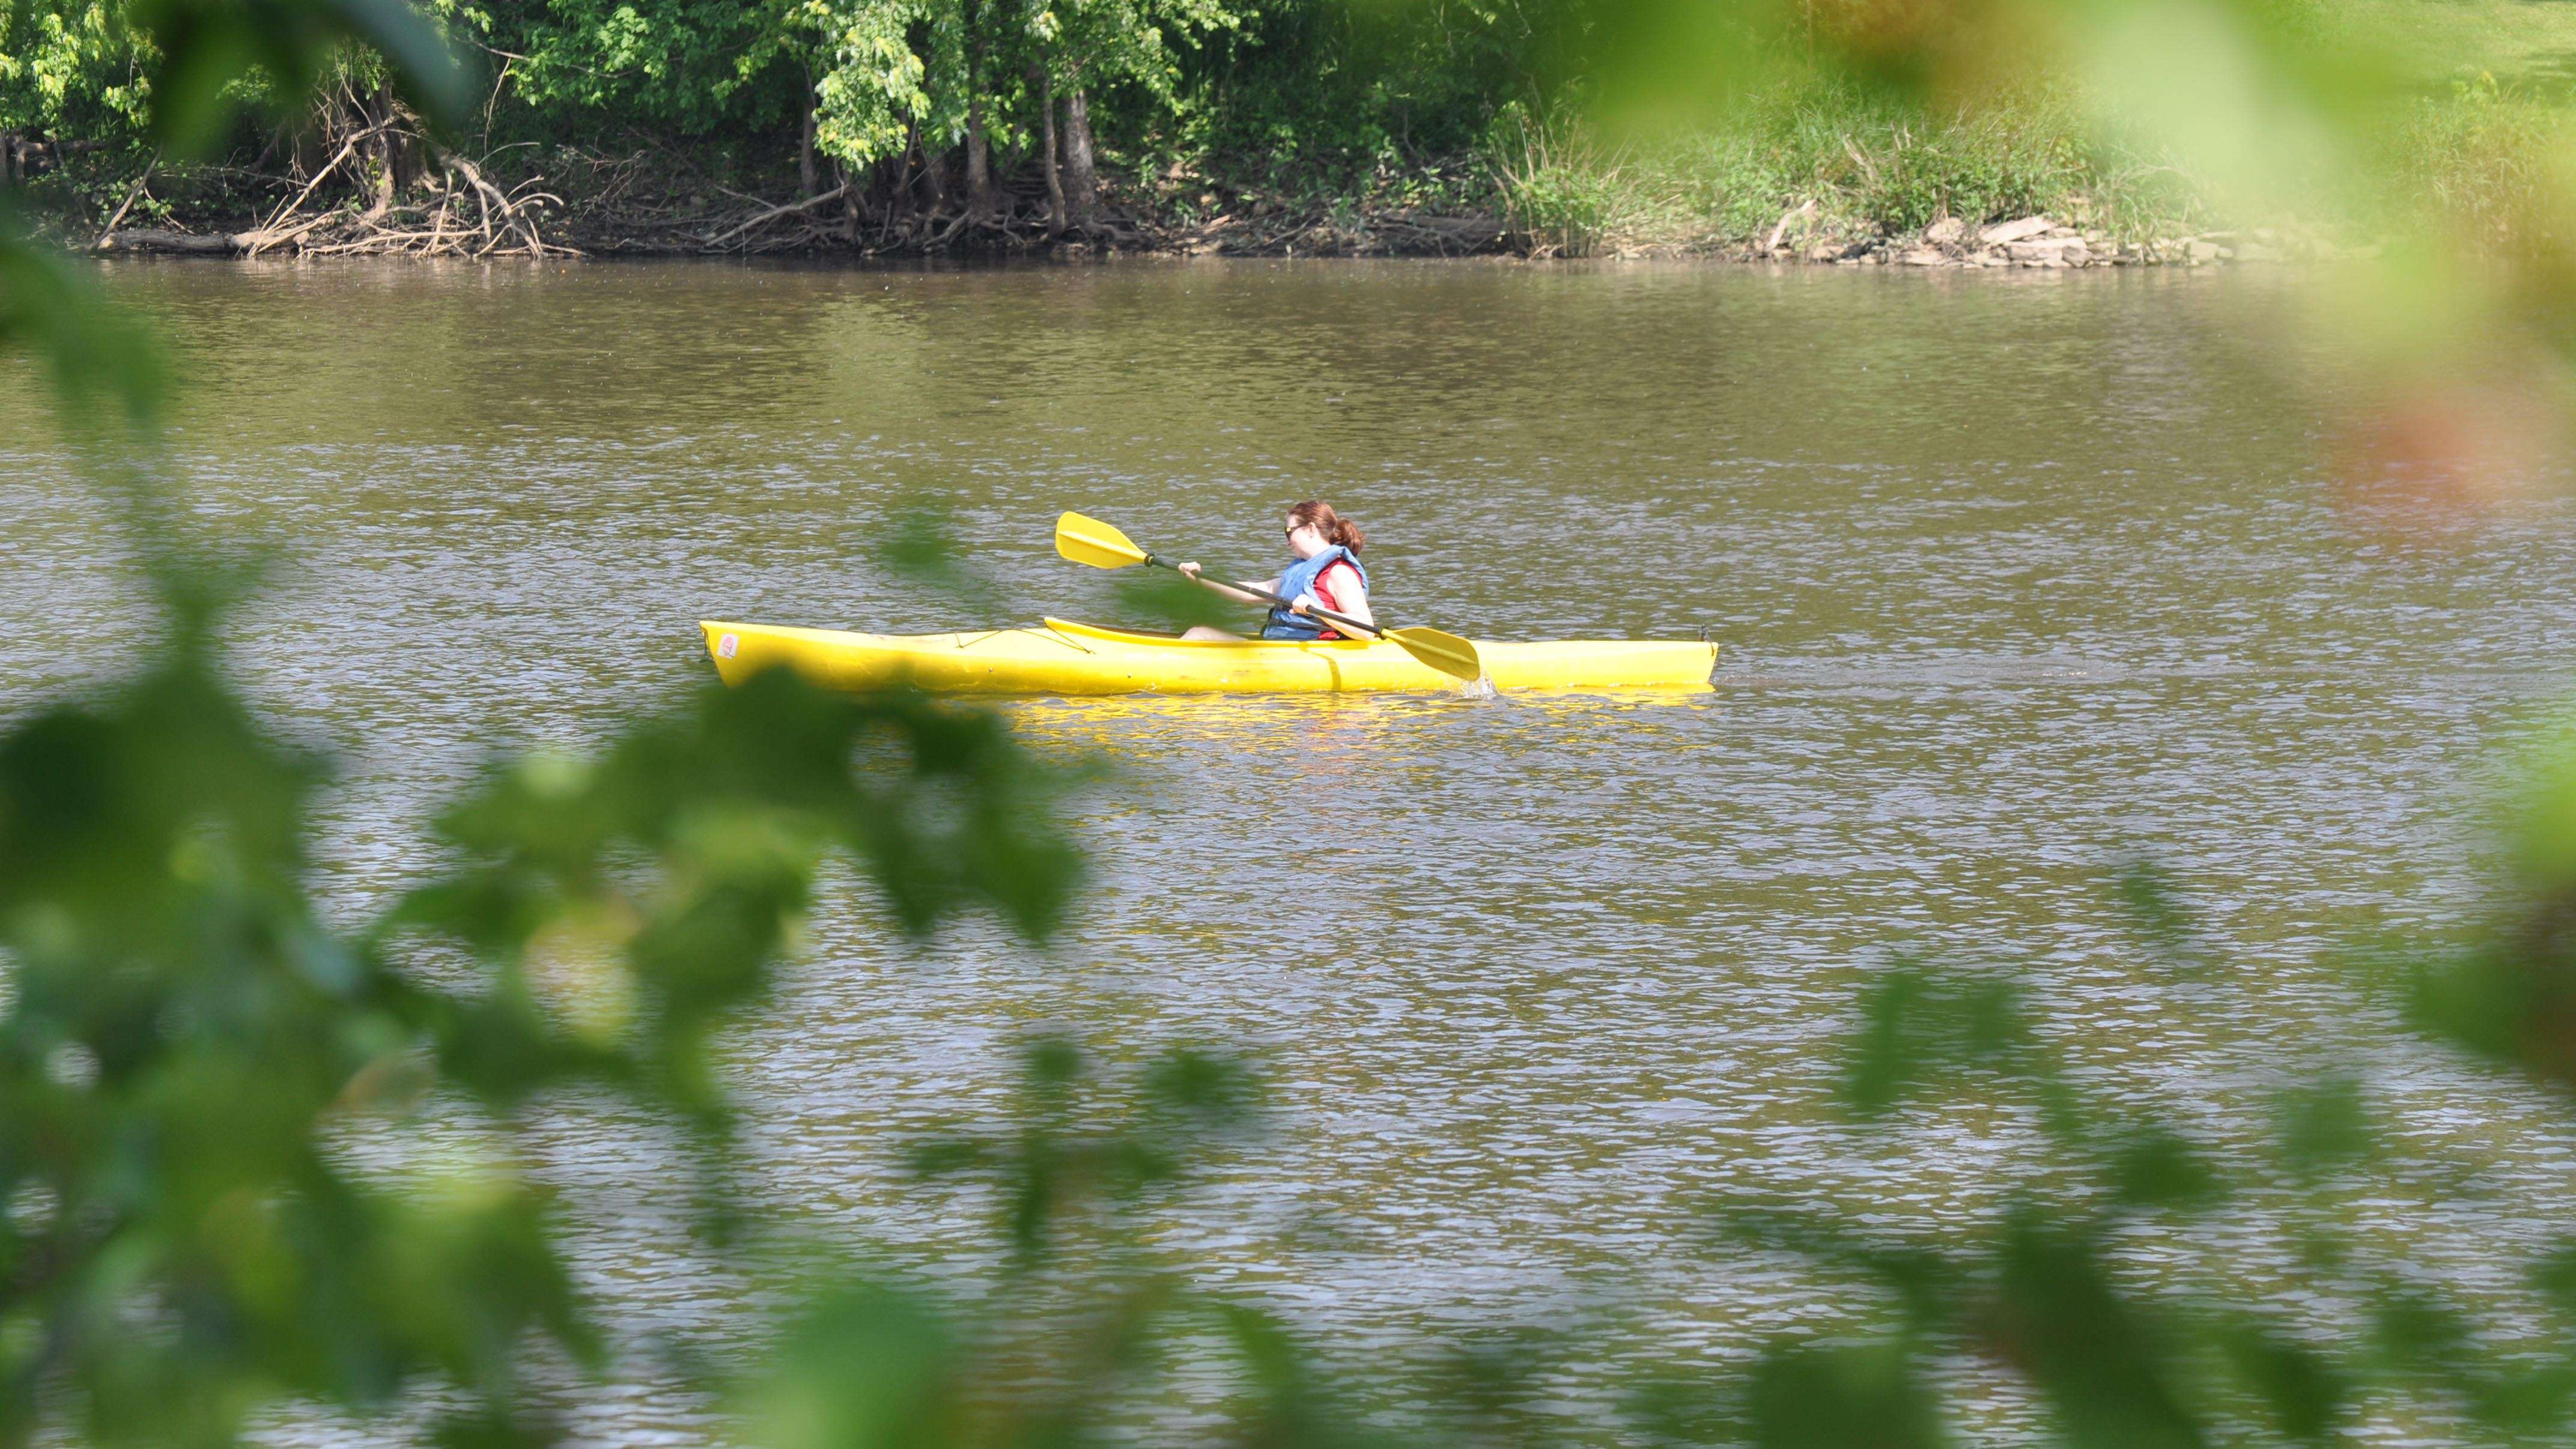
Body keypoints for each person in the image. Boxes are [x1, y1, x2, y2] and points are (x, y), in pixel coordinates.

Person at [1176, 500, 1376, 642]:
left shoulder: (1340, 572)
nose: (1286, 540)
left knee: (1199, 635)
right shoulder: (1301, 571)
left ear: (1311, 529)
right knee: (1199, 633)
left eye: (1289, 531)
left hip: (1308, 657)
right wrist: (1201, 579)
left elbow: (1365, 629)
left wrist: (1320, 610)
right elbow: (1253, 591)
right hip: (1282, 649)